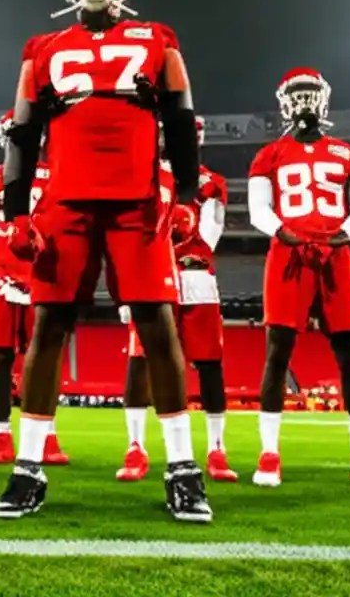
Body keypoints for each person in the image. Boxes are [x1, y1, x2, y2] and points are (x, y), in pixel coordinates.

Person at [0, 0, 210, 522]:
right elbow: (22, 130)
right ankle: (28, 469)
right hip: (65, 203)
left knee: (159, 328)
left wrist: (186, 194)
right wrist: (15, 211)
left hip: (137, 202)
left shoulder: (157, 38)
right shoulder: (41, 48)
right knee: (47, 329)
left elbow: (184, 121)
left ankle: (183, 470)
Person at [246, 67, 350, 488]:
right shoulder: (268, 154)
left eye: (311, 92)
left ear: (324, 99)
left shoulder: (349, 153)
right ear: (284, 102)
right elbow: (260, 208)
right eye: (298, 93)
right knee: (278, 352)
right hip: (288, 255)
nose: (305, 100)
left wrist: (341, 236)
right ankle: (269, 453)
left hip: (336, 255)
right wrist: (284, 232)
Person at [117, 118, 236, 482]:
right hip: (151, 277)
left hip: (196, 276)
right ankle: (136, 447)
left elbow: (210, 235)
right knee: (140, 364)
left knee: (210, 364)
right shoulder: (142, 175)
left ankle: (217, 449)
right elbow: (130, 234)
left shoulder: (210, 183)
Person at [0, 112, 68, 465]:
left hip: (38, 277)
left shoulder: (55, 177)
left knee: (38, 355)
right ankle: (6, 436)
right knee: (3, 355)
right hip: (8, 276)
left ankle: (44, 434)